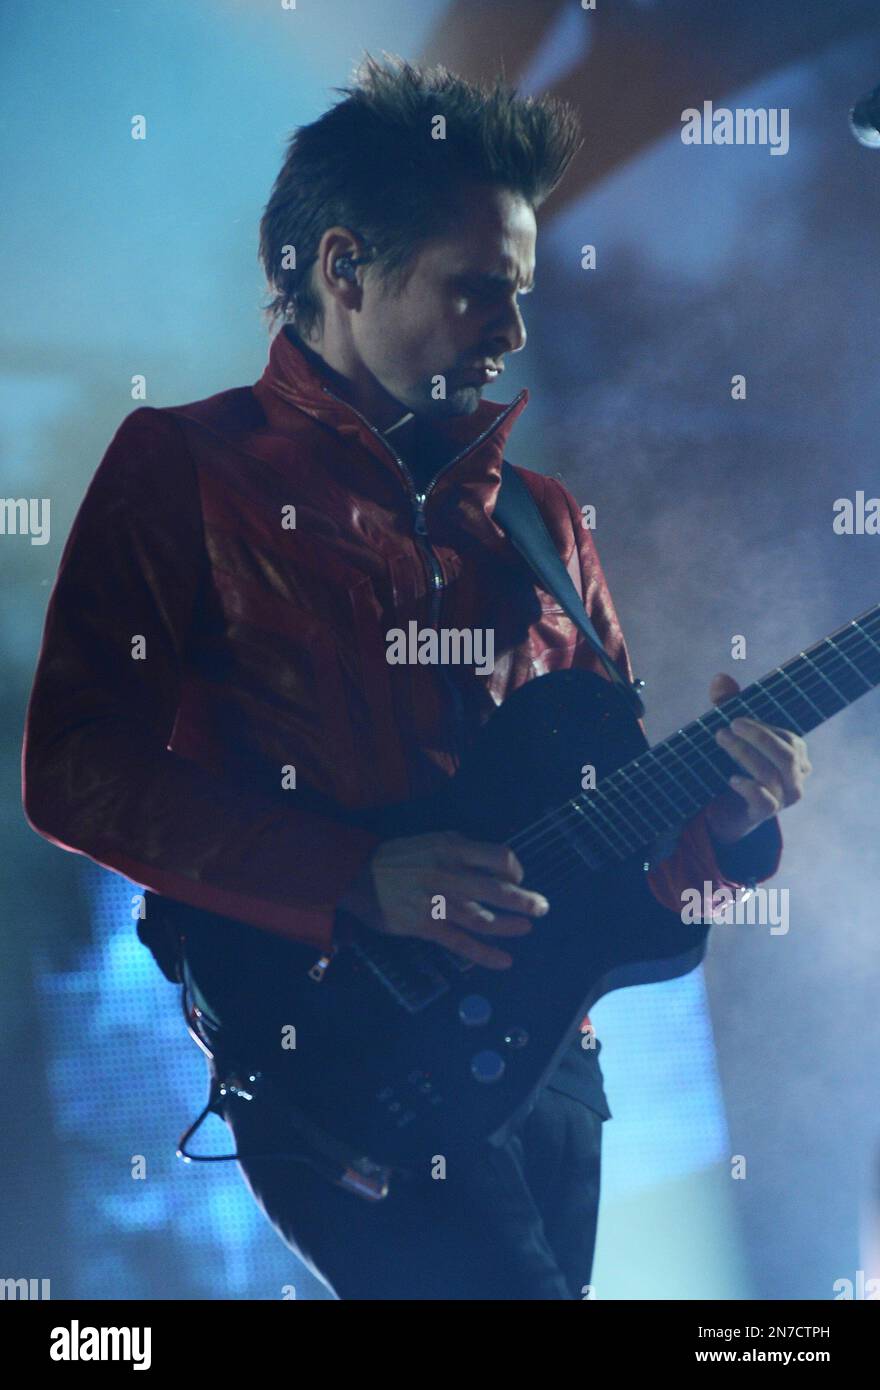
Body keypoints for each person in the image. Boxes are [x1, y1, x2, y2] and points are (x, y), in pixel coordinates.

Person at [22, 55, 810, 1299]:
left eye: (522, 294)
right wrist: (352, 879)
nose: (509, 330)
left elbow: (622, 848)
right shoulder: (183, 467)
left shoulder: (545, 520)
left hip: (552, 1063)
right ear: (342, 268)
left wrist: (722, 821)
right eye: (476, 292)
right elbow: (72, 771)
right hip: (337, 1055)